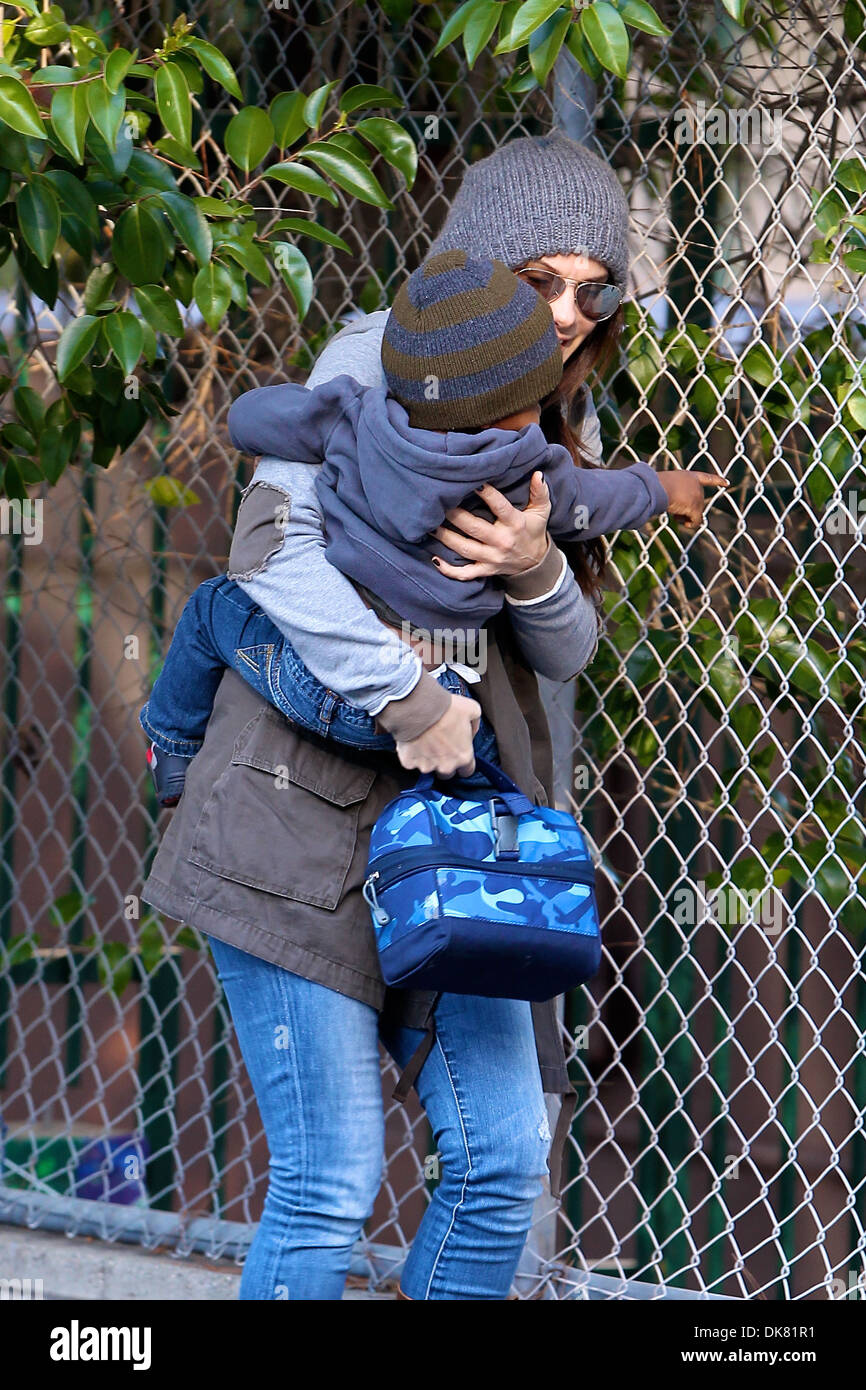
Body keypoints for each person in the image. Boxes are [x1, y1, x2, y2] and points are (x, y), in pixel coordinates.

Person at [140, 132, 729, 1300]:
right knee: (327, 1181)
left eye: (592, 288)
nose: (570, 313)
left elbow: (562, 649)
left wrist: (529, 567)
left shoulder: (542, 411)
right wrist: (404, 693)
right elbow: (267, 551)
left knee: (503, 1160)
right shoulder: (380, 357)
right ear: (478, 262)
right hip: (298, 817)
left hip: (458, 836)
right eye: (541, 282)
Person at [139, 249, 725, 806]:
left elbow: (258, 417)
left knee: (214, 604)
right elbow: (603, 498)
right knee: (492, 761)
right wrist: (664, 488)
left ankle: (170, 746)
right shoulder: (527, 470)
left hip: (329, 690)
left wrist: (248, 418)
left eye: (592, 291)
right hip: (447, 688)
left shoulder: (354, 417)